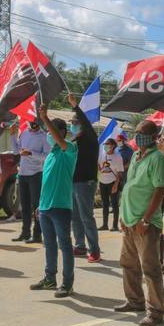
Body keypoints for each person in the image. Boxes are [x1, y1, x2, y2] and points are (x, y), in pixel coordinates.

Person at [115, 119, 164, 326]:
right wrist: (123, 214)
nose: (138, 137)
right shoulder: (137, 156)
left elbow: (159, 190)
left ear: (154, 137)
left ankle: (155, 311)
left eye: (142, 133)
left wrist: (145, 219)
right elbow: (130, 187)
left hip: (145, 223)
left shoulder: (157, 158)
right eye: (136, 133)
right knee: (128, 264)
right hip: (129, 220)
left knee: (150, 269)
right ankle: (134, 300)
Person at [30, 104, 78, 298]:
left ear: (62, 133)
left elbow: (61, 141)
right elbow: (46, 181)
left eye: (51, 132)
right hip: (46, 207)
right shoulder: (50, 154)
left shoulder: (70, 149)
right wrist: (39, 206)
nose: (48, 135)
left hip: (61, 206)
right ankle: (50, 278)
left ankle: (67, 283)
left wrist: (45, 119)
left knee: (64, 245)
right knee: (49, 245)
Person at [68, 94, 101, 262]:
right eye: (71, 123)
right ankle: (80, 245)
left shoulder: (90, 137)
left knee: (86, 217)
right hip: (73, 182)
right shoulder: (74, 140)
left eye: (75, 123)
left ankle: (94, 250)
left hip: (85, 183)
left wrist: (75, 107)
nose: (73, 126)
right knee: (75, 216)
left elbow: (86, 124)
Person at [12, 120, 50, 243]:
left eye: (35, 120)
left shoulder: (44, 136)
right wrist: (12, 136)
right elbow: (17, 150)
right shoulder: (24, 133)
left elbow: (46, 156)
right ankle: (25, 232)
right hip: (23, 173)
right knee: (25, 206)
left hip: (36, 173)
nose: (33, 123)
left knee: (36, 206)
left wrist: (31, 153)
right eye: (31, 120)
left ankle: (37, 234)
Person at [98, 138, 123, 231]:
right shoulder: (102, 154)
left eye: (107, 144)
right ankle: (105, 224)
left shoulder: (118, 157)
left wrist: (116, 185)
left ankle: (115, 225)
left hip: (112, 182)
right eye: (105, 144)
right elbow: (98, 164)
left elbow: (120, 173)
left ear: (112, 146)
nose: (105, 145)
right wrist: (99, 171)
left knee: (114, 204)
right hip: (102, 182)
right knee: (105, 204)